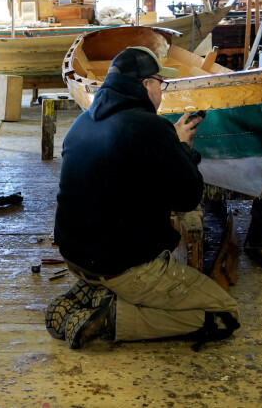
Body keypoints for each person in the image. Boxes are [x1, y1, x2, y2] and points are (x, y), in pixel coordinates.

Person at [45, 45, 240, 350]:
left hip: (74, 255)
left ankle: (96, 290)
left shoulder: (82, 123)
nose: (162, 94)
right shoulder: (151, 127)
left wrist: (168, 144)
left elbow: (127, 167)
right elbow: (188, 197)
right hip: (122, 266)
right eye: (160, 84)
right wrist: (183, 150)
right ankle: (114, 316)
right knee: (224, 313)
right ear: (146, 84)